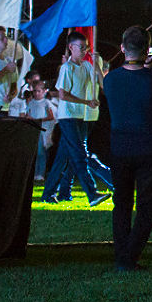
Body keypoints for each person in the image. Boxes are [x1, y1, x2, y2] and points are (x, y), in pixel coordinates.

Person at [101, 26, 152, 271]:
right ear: (147, 49)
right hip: (149, 148)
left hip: (120, 148)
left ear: (122, 49)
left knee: (121, 203)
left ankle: (122, 253)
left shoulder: (110, 79)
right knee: (147, 205)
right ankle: (128, 256)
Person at [43, 31, 109, 206]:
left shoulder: (87, 66)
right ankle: (92, 193)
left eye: (86, 46)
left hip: (79, 116)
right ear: (71, 48)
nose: (85, 49)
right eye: (81, 47)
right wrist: (86, 101)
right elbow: (63, 95)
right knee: (79, 155)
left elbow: (103, 86)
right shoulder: (67, 68)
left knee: (62, 158)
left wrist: (97, 68)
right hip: (68, 117)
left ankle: (48, 194)